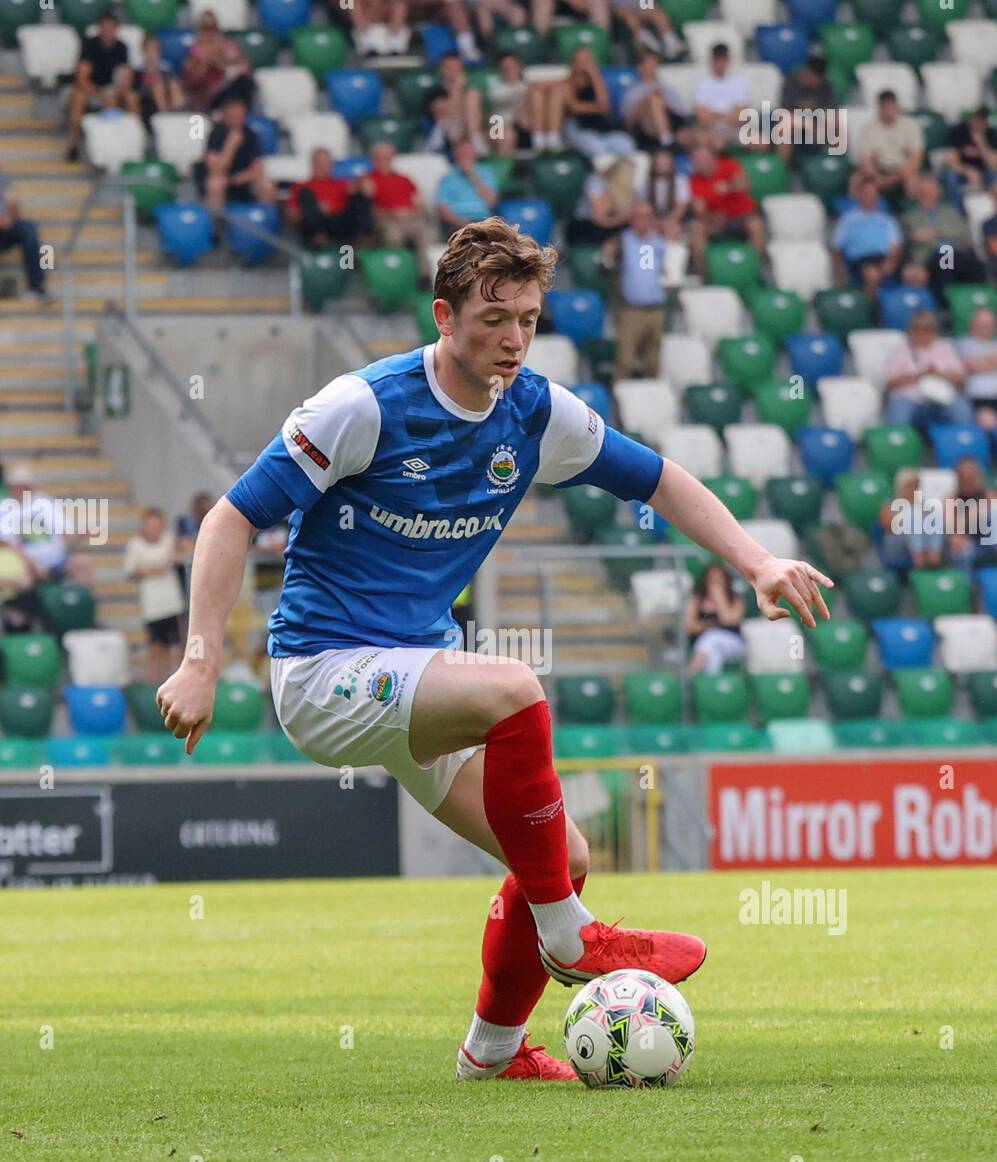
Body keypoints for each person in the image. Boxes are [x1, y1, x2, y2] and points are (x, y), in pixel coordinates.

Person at [155, 215, 833, 1083]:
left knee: (561, 858)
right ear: (444, 316)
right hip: (323, 674)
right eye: (491, 318)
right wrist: (202, 659)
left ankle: (494, 1053)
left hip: (414, 679)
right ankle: (570, 938)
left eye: (528, 320)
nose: (512, 339)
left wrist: (757, 560)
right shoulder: (363, 406)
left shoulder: (536, 413)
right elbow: (231, 517)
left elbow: (656, 478)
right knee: (514, 684)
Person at [604, 200, 669, 381]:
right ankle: (620, 403)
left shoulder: (660, 242)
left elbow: (670, 270)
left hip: (656, 308)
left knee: (653, 362)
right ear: (632, 219)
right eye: (639, 217)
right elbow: (605, 266)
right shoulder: (622, 241)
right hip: (631, 310)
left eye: (647, 217)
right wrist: (609, 254)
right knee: (625, 360)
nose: (643, 221)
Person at [124, 507, 186, 685]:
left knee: (176, 648)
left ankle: (176, 684)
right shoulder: (135, 545)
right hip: (152, 606)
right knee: (156, 649)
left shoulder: (169, 540)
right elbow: (133, 571)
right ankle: (154, 686)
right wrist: (157, 569)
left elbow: (179, 557)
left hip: (171, 604)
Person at [883, 310, 975, 429]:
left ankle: (962, 442)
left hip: (942, 399)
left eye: (928, 331)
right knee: (899, 410)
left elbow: (961, 377)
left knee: (961, 408)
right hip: (910, 399)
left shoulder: (944, 348)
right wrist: (919, 375)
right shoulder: (900, 352)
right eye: (918, 330)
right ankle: (899, 443)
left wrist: (938, 373)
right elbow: (891, 382)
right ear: (911, 331)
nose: (923, 335)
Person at [66, 11, 138, 161]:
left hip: (113, 90)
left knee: (132, 98)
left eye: (112, 27)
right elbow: (82, 78)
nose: (108, 31)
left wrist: (113, 92)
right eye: (105, 27)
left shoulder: (121, 47)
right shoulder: (90, 45)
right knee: (78, 98)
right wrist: (100, 93)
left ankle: (135, 141)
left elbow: (125, 77)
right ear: (99, 28)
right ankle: (74, 143)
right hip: (91, 90)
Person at [688, 138, 765, 276]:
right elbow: (699, 208)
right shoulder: (695, 180)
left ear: (713, 158)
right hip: (717, 219)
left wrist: (728, 187)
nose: (702, 164)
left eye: (704, 160)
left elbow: (745, 185)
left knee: (757, 226)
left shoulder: (729, 165)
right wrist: (710, 218)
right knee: (696, 229)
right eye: (697, 162)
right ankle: (703, 274)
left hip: (742, 216)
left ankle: (754, 270)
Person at [900, 173, 984, 300]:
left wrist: (936, 233)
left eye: (932, 191)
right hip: (928, 256)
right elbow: (902, 239)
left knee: (977, 265)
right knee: (945, 260)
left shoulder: (950, 211)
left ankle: (977, 300)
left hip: (957, 252)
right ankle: (949, 304)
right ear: (919, 194)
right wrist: (913, 237)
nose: (929, 196)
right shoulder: (909, 216)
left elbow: (962, 233)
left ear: (938, 193)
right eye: (925, 192)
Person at [363, 142, 435, 281]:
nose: (384, 161)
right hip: (387, 220)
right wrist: (391, 213)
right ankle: (400, 275)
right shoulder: (369, 180)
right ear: (373, 160)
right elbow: (367, 210)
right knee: (394, 235)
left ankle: (424, 277)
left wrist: (410, 212)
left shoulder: (405, 180)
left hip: (411, 218)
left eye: (387, 157)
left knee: (428, 234)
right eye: (380, 158)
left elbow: (420, 205)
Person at [194, 96, 275, 215]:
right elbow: (215, 169)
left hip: (241, 180)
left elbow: (258, 169)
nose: (237, 117)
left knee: (266, 185)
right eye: (233, 113)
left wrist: (238, 179)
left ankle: (264, 223)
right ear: (224, 115)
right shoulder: (216, 134)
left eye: (240, 113)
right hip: (222, 180)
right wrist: (231, 145)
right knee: (216, 184)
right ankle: (216, 227)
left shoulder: (251, 135)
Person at [830, 174, 902, 298]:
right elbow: (836, 248)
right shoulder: (847, 220)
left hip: (884, 258)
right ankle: (872, 311)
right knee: (872, 275)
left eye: (874, 194)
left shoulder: (887, 220)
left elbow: (896, 245)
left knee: (917, 275)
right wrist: (840, 273)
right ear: (859, 195)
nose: (871, 197)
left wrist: (891, 261)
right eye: (867, 193)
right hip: (861, 261)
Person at [286, 149, 373, 250]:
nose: (323, 167)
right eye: (319, 164)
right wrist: (314, 209)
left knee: (360, 195)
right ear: (312, 165)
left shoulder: (343, 184)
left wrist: (362, 186)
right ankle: (318, 234)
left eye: (326, 164)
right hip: (316, 224)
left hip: (341, 224)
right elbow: (292, 216)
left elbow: (362, 197)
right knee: (305, 194)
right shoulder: (300, 186)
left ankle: (365, 235)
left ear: (332, 165)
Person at [562, 47, 635, 161]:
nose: (584, 64)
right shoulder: (567, 82)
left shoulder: (598, 80)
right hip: (579, 128)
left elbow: (605, 105)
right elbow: (575, 107)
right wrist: (597, 107)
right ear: (573, 63)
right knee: (598, 150)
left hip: (601, 128)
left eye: (587, 60)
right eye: (580, 60)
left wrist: (593, 74)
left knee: (626, 146)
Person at [182, 11, 254, 116]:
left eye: (212, 28)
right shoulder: (194, 52)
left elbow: (245, 67)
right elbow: (192, 79)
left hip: (229, 88)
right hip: (210, 96)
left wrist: (223, 60)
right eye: (206, 28)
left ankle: (240, 113)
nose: (210, 33)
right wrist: (207, 62)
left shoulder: (226, 46)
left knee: (243, 82)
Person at [858, 89, 923, 204]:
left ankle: (911, 214)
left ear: (897, 106)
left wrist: (895, 177)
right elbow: (866, 160)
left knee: (913, 181)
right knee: (856, 180)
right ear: (880, 108)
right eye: (886, 107)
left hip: (903, 171)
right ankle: (862, 215)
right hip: (880, 170)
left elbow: (916, 159)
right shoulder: (869, 128)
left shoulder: (910, 125)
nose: (889, 111)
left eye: (892, 106)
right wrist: (877, 177)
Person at [620, 50, 691, 153]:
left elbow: (682, 113)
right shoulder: (632, 92)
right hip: (645, 129)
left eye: (654, 65)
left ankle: (667, 138)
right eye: (649, 65)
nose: (653, 68)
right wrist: (645, 102)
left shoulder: (666, 88)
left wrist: (666, 104)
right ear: (640, 67)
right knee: (653, 100)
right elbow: (628, 121)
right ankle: (667, 142)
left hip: (672, 125)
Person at [0, 171, 53, 304]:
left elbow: (14, 206)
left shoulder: (3, 177)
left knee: (28, 228)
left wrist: (11, 214)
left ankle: (36, 286)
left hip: (5, 229)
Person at [877, 468, 943, 571]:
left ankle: (934, 554)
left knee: (935, 517)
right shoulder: (889, 505)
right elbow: (887, 525)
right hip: (897, 545)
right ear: (900, 487)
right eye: (909, 486)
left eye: (915, 487)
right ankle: (918, 556)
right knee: (912, 517)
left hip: (923, 543)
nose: (913, 490)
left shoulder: (923, 505)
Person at [684, 564, 746, 674]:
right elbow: (690, 626)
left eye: (719, 579)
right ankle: (713, 683)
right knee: (713, 650)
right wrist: (710, 625)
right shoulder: (697, 599)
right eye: (712, 579)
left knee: (712, 637)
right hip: (702, 644)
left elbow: (729, 620)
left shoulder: (735, 599)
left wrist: (719, 597)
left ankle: (690, 673)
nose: (715, 583)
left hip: (732, 642)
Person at [434, 139, 499, 236]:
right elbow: (441, 208)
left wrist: (472, 175)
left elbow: (491, 202)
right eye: (462, 154)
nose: (465, 157)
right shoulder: (448, 178)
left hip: (482, 221)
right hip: (457, 223)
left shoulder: (486, 173)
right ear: (456, 155)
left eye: (468, 154)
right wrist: (462, 223)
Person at [944, 457, 997, 574]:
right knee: (961, 551)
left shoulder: (989, 495)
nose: (969, 480)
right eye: (965, 476)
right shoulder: (953, 499)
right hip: (969, 543)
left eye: (972, 475)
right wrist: (973, 513)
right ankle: (967, 586)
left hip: (990, 542)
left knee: (994, 514)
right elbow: (952, 530)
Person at [693, 43, 750, 145]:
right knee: (712, 140)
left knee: (761, 141)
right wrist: (728, 114)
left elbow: (742, 116)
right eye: (717, 60)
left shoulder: (739, 83)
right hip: (711, 130)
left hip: (735, 129)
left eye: (722, 60)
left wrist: (715, 114)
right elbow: (703, 118)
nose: (720, 64)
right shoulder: (702, 84)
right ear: (711, 61)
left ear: (728, 60)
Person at [944, 105, 997, 199]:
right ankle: (960, 209)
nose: (978, 124)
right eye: (976, 120)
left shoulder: (991, 134)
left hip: (984, 170)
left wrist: (982, 144)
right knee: (950, 176)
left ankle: (989, 210)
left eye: (982, 122)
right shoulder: (960, 130)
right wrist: (968, 170)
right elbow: (951, 160)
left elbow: (993, 165)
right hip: (961, 169)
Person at [133, 33, 184, 128]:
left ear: (159, 52)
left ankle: (178, 114)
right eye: (149, 49)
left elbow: (173, 84)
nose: (151, 53)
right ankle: (165, 118)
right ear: (143, 51)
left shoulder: (165, 68)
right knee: (157, 86)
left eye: (155, 49)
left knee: (172, 85)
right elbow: (137, 90)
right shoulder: (138, 70)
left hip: (167, 97)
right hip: (147, 101)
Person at [959, 307, 997, 432]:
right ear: (972, 325)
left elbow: (975, 364)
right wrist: (991, 361)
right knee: (988, 421)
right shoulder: (962, 344)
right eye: (981, 324)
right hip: (979, 398)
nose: (985, 328)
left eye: (988, 325)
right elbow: (968, 366)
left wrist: (979, 362)